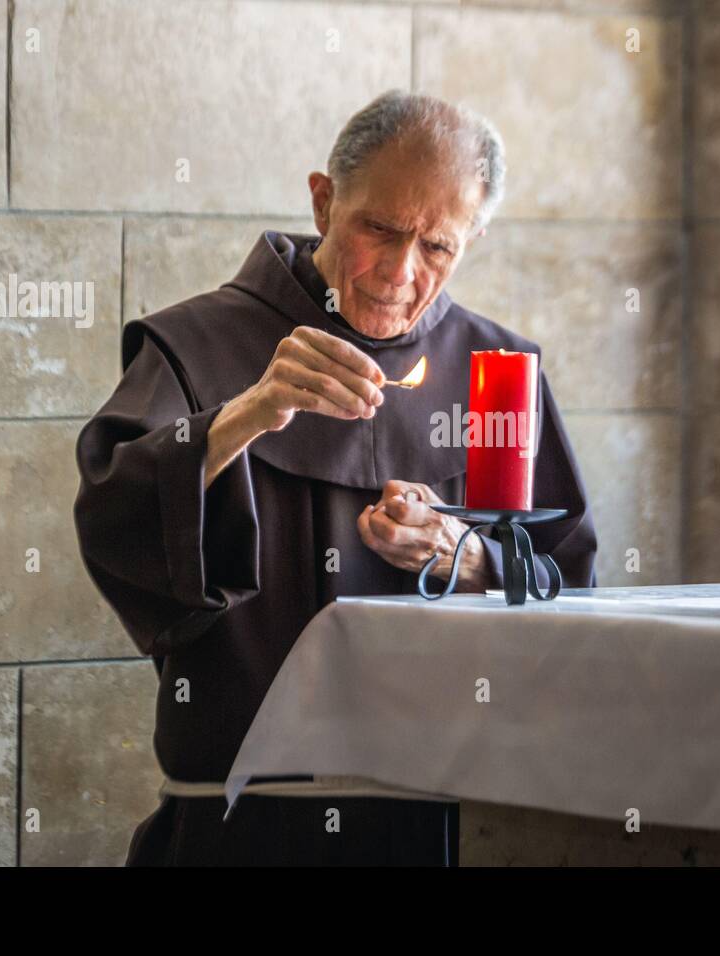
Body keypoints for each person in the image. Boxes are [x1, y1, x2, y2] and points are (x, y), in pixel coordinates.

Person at [73, 90, 598, 865]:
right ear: (324, 202)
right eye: (377, 229)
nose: (398, 271)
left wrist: (471, 556)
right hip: (247, 832)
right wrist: (245, 413)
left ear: (474, 238)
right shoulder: (195, 343)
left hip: (449, 832)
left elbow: (571, 589)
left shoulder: (499, 372)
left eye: (438, 247)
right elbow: (114, 521)